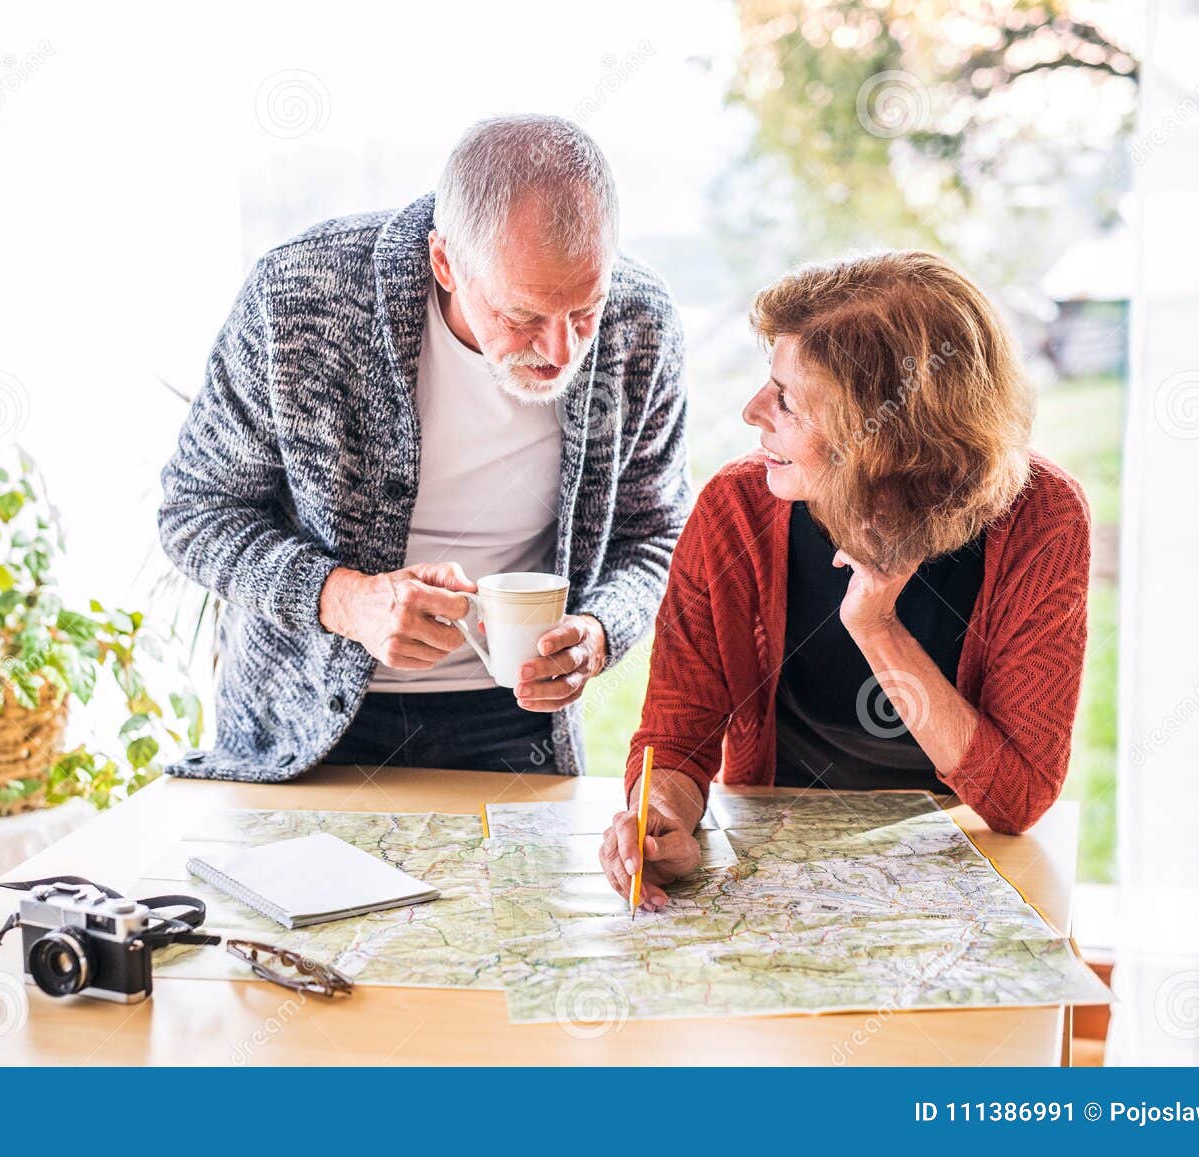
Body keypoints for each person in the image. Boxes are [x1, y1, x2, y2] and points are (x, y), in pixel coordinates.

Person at [159, 115, 689, 781]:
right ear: (445, 261)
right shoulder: (298, 297)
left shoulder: (640, 321)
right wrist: (347, 599)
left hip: (518, 722)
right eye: (522, 316)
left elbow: (656, 533)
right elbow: (195, 511)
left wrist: (600, 632)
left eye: (584, 311)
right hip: (307, 725)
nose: (562, 353)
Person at [599, 251, 1091, 908]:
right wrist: (659, 816)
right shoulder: (736, 508)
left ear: (885, 437)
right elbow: (678, 735)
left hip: (954, 879)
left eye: (788, 402)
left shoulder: (1042, 518)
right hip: (775, 870)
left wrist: (875, 626)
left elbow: (1016, 799)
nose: (752, 412)